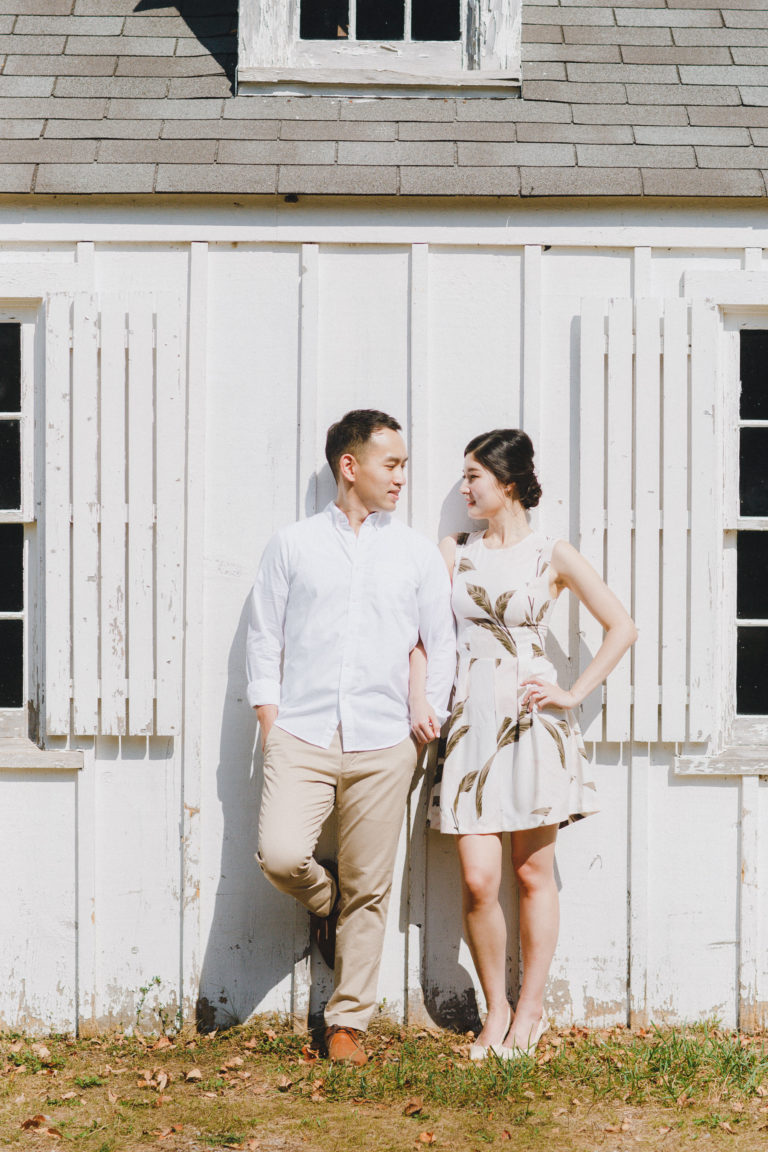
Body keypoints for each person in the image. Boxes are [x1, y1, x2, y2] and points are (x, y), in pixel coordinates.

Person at [409, 429, 637, 1060]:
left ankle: (530, 1012)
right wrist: (420, 696)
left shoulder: (551, 554)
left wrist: (573, 692)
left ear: (506, 482)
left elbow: (622, 626)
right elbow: (424, 636)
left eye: (473, 477)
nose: (463, 488)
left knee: (533, 874)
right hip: (470, 731)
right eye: (462, 477)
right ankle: (496, 1010)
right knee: (480, 881)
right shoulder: (455, 552)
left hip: (534, 730)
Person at [247, 409, 455, 1067]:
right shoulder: (294, 544)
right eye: (391, 464)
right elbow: (264, 636)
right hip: (302, 733)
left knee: (372, 885)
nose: (401, 477)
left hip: (385, 740)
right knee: (281, 855)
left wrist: (429, 715)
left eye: (403, 465)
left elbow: (439, 642)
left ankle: (347, 1025)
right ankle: (322, 896)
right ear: (350, 466)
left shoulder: (416, 552)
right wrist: (269, 721)